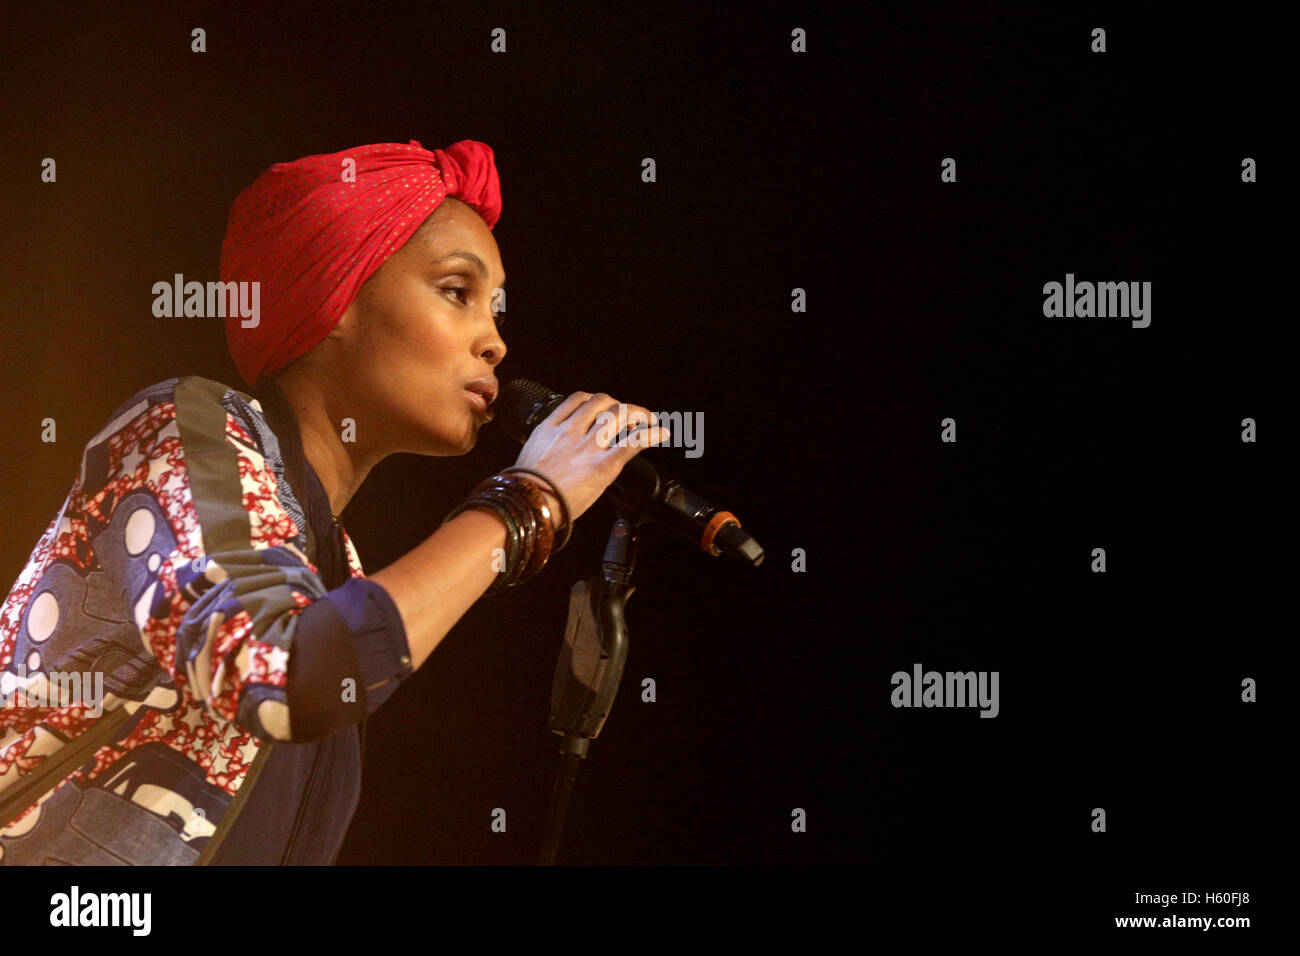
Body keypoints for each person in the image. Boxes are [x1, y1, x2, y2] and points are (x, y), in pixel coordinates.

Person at [0, 139, 669, 865]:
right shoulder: (176, 428)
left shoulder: (335, 570)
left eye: (497, 309)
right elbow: (285, 675)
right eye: (456, 291)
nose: (497, 344)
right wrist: (527, 500)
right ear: (337, 295)